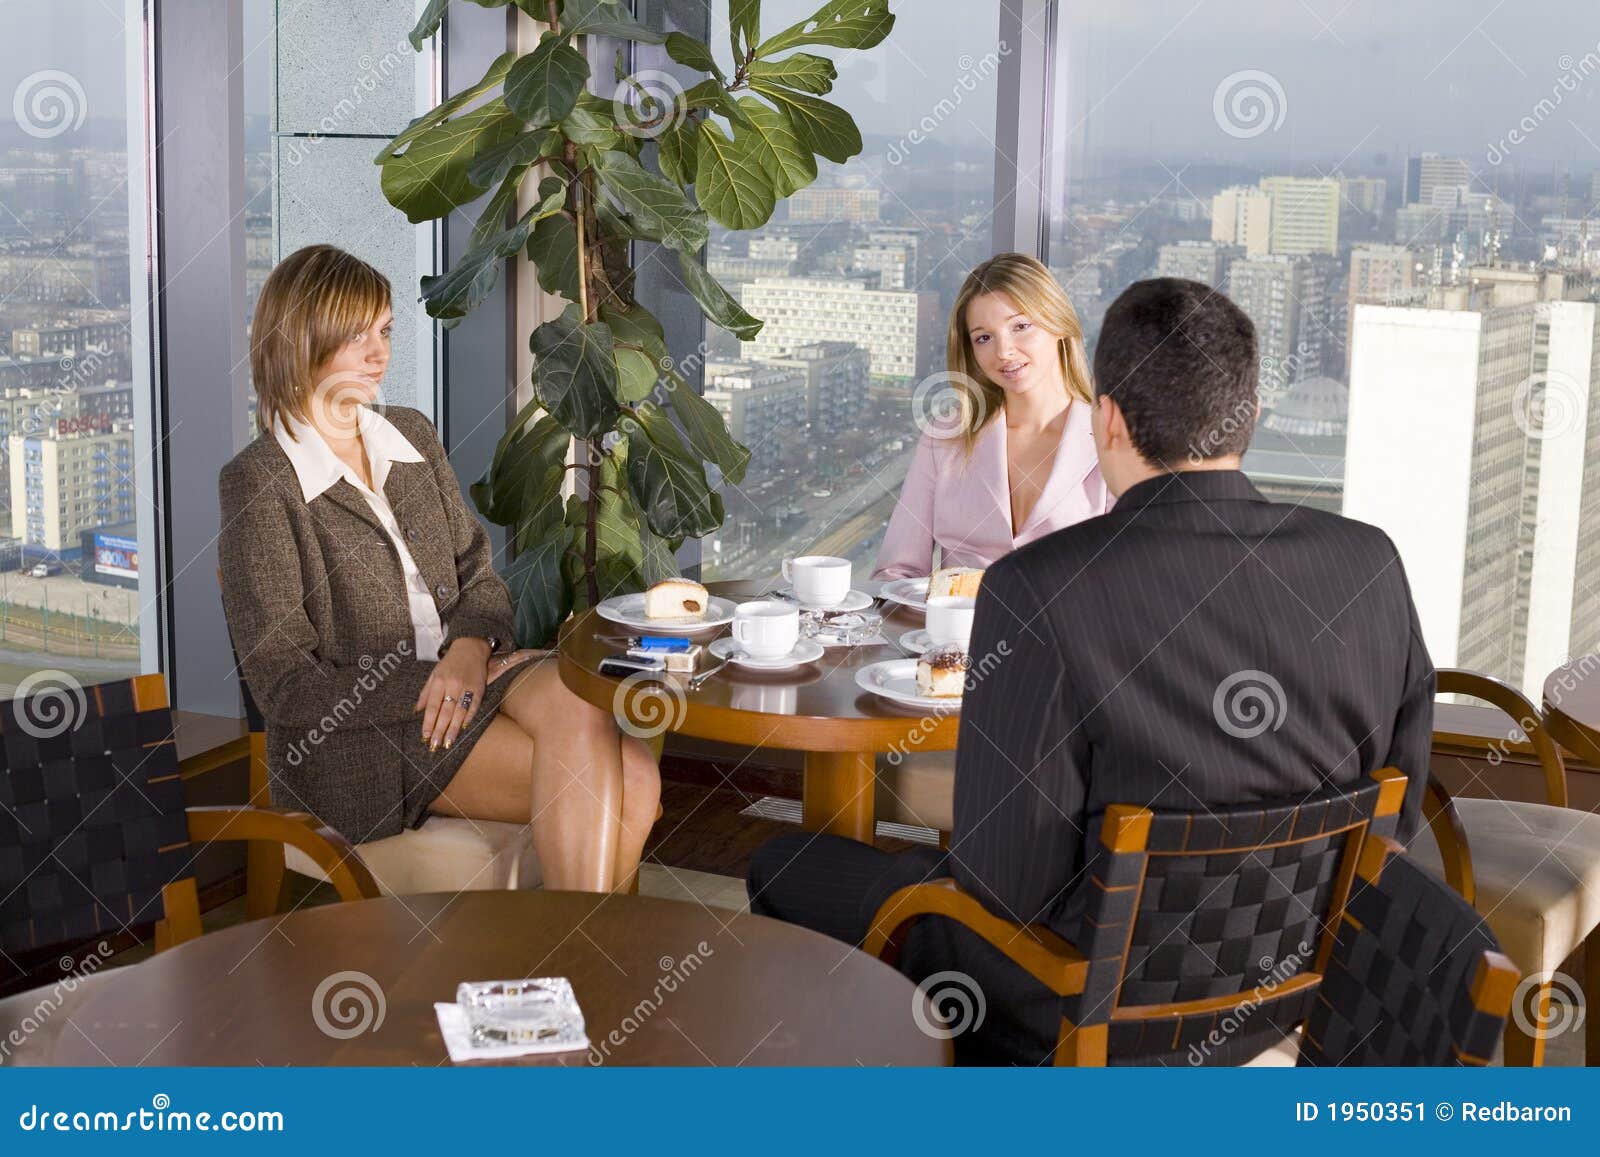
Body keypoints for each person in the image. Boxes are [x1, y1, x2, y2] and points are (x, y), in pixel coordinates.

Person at [748, 278, 1434, 1064]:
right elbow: (1398, 814)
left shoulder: (1040, 588)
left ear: (1107, 418)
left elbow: (1003, 889)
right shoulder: (1369, 561)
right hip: (1287, 997)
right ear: (1249, 415)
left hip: (1077, 1005)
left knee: (784, 864)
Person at [219, 244, 660, 893]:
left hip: (467, 677)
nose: (379, 354)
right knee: (633, 776)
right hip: (374, 733)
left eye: (385, 332)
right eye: (356, 336)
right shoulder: (259, 484)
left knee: (599, 722)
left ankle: (569, 959)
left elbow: (481, 580)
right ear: (302, 341)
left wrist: (471, 648)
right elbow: (286, 686)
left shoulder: (411, 435)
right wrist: (448, 678)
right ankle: (582, 963)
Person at [872, 252, 1112, 581]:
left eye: (1021, 326)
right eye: (984, 337)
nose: (1004, 352)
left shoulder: (1110, 439)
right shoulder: (947, 435)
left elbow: (1127, 585)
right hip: (956, 632)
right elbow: (897, 571)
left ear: (1058, 324)